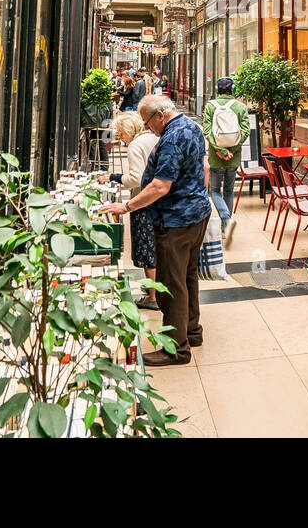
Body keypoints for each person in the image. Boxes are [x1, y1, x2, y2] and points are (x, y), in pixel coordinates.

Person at [106, 95, 211, 366]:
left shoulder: (173, 137)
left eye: (148, 121)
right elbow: (204, 167)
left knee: (170, 285)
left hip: (175, 221)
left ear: (160, 115)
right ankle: (192, 331)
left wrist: (126, 206)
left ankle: (176, 348)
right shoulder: (192, 127)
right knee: (187, 277)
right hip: (195, 215)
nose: (147, 127)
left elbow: (159, 186)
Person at [101, 111, 160, 309]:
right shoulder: (154, 137)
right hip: (160, 198)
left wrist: (116, 178)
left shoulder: (135, 145)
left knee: (147, 249)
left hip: (144, 200)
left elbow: (136, 178)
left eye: (120, 133)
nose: (120, 138)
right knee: (157, 247)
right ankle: (158, 289)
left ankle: (153, 297)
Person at [203, 76, 250, 245]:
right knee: (229, 191)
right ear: (234, 90)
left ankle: (225, 218)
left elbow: (207, 131)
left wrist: (220, 150)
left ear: (217, 90)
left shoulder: (210, 106)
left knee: (214, 191)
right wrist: (231, 151)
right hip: (233, 157)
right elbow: (245, 131)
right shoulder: (240, 106)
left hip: (216, 157)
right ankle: (226, 225)